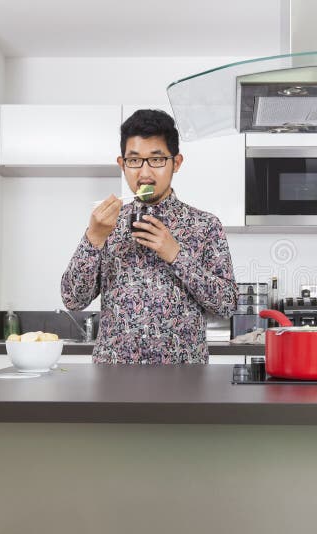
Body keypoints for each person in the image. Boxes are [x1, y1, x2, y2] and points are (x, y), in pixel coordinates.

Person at [61, 109, 238, 364]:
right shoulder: (107, 223)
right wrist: (94, 239)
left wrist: (176, 256)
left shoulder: (205, 225)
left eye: (156, 160)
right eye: (134, 160)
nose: (144, 173)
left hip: (184, 379)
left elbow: (227, 305)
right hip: (114, 380)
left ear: (176, 163)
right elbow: (72, 299)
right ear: (122, 164)